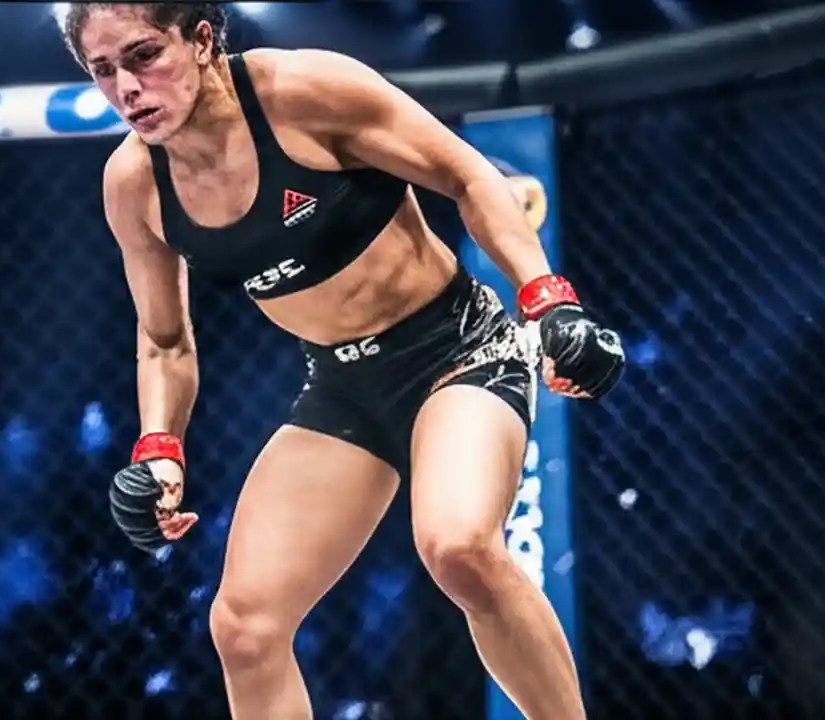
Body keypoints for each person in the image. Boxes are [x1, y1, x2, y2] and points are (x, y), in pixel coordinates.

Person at [60, 4, 624, 718]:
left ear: (201, 40)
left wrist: (549, 302)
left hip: (457, 350)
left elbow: (472, 179)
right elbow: (164, 341)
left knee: (458, 549)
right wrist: (160, 449)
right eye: (103, 70)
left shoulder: (306, 94)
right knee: (244, 625)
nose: (126, 88)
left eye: (143, 56)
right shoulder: (134, 184)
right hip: (342, 385)